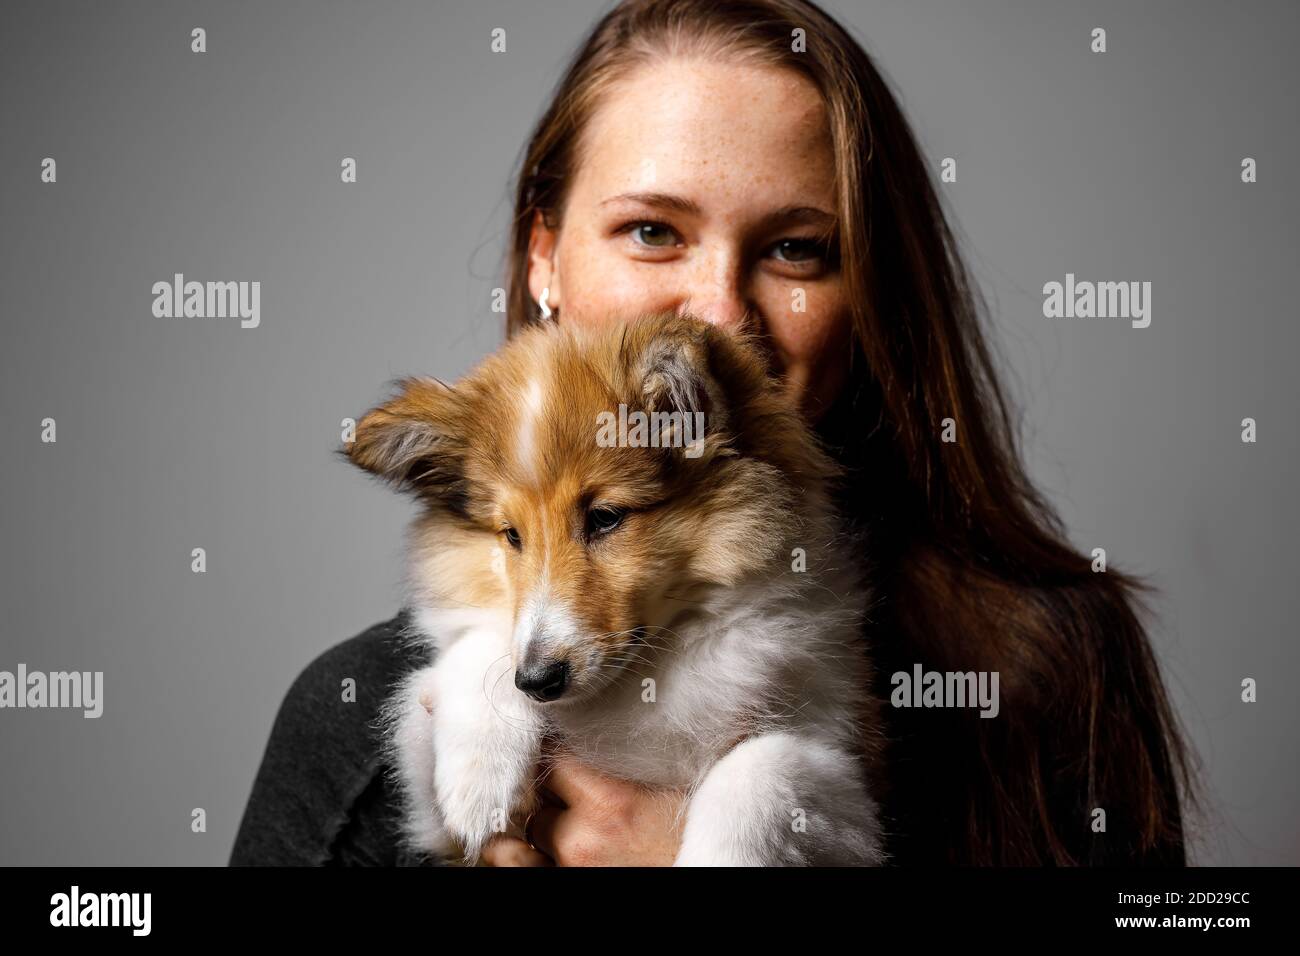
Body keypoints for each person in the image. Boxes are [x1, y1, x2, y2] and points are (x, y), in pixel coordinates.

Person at [231, 0, 1194, 867]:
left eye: (795, 248)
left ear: (870, 292)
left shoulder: (1056, 658)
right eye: (653, 230)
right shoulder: (351, 718)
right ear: (544, 261)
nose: (720, 315)